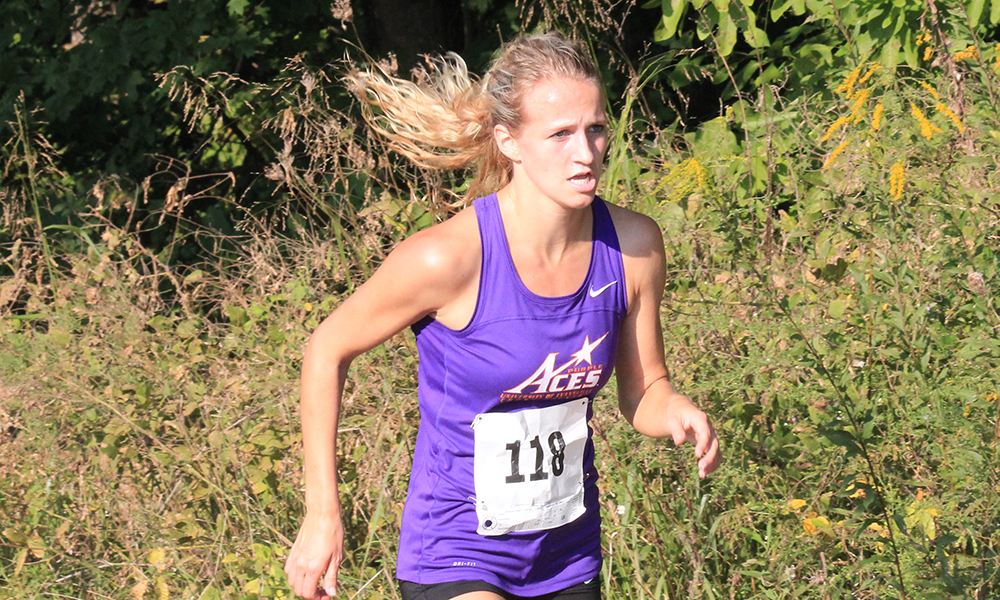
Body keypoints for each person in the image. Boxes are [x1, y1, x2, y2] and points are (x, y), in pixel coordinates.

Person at [283, 32, 721, 600]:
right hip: (456, 548)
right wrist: (323, 513)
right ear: (508, 141)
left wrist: (677, 410)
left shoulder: (633, 246)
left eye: (594, 129)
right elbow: (326, 348)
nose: (585, 153)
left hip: (567, 555)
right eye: (559, 135)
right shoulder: (450, 258)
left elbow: (644, 392)